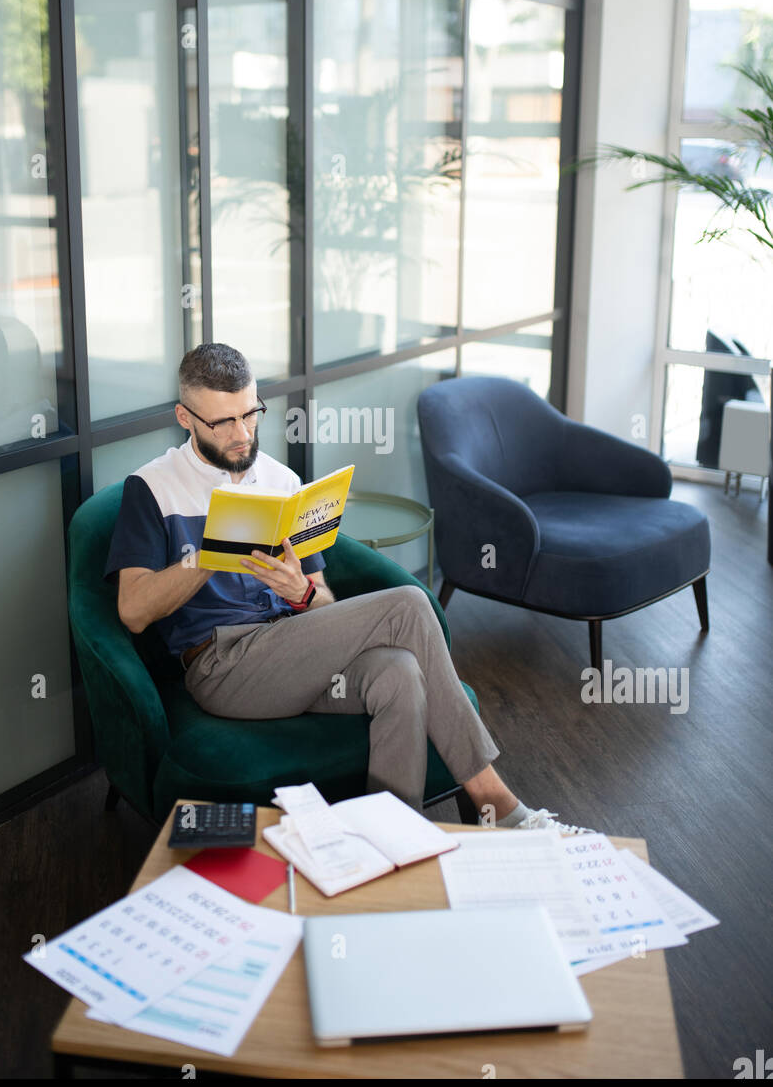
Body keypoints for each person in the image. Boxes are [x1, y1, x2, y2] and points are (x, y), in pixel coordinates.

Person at [104, 343, 591, 834]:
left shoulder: (282, 481)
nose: (242, 433)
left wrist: (299, 592)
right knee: (408, 603)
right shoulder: (152, 488)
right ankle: (494, 801)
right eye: (223, 422)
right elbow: (133, 612)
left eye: (251, 414)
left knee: (399, 672)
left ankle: (391, 840)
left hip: (297, 651)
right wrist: (210, 555)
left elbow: (324, 604)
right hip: (223, 667)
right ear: (185, 418)